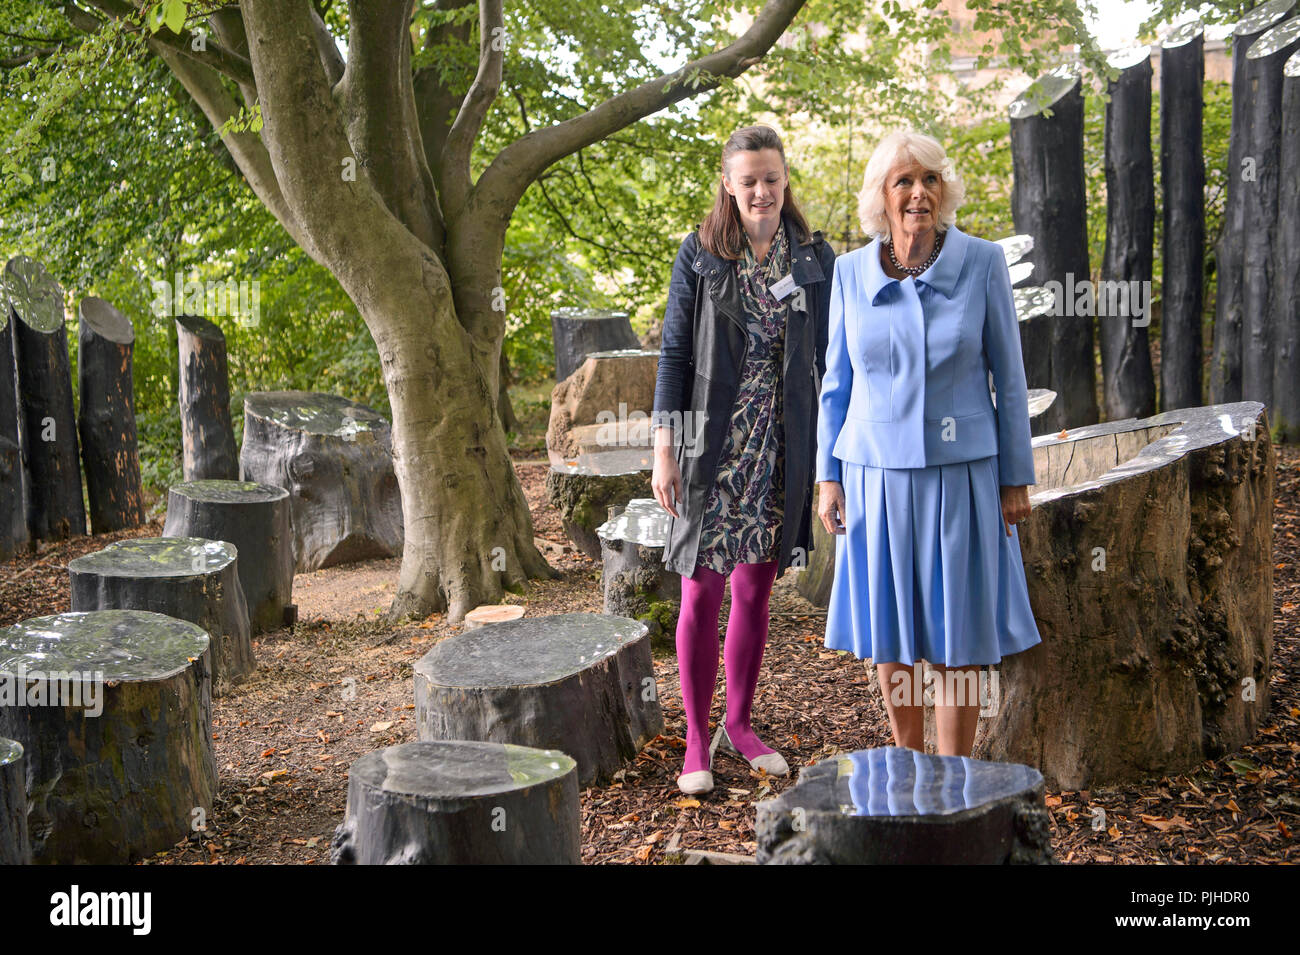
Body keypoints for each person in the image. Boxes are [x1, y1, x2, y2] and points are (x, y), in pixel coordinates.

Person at [815, 129, 1042, 759]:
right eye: (904, 181)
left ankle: (954, 773)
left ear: (945, 191)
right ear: (881, 197)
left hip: (962, 475)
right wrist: (828, 476)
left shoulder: (983, 262)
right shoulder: (848, 272)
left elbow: (1009, 377)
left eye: (930, 179)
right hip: (873, 479)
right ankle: (908, 762)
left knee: (957, 630)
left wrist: (1015, 477)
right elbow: (835, 384)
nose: (918, 193)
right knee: (891, 630)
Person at [652, 125, 836, 795]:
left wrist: (832, 459)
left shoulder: (813, 258)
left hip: (782, 443)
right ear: (728, 185)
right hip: (711, 445)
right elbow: (674, 355)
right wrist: (665, 448)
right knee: (701, 588)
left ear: (785, 181)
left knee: (756, 588)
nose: (761, 190)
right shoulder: (701, 254)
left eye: (771, 178)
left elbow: (834, 360)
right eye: (748, 179)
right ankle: (696, 739)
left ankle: (739, 723)